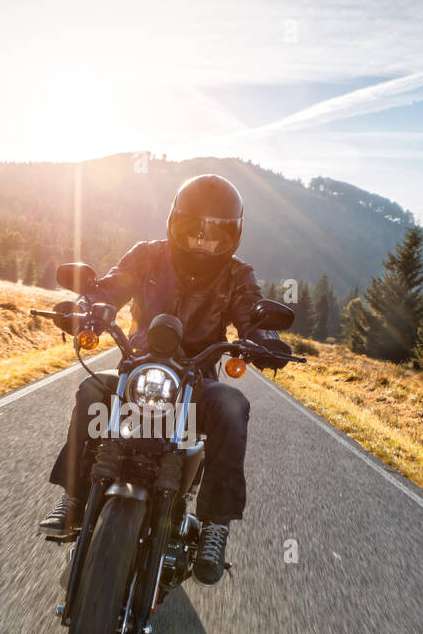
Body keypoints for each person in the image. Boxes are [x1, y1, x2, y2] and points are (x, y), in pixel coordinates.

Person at [39, 174, 291, 584]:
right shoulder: (148, 256)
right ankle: (73, 497)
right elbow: (111, 287)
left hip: (196, 380)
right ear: (177, 224)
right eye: (194, 231)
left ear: (232, 236)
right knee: (91, 389)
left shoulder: (237, 276)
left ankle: (214, 526)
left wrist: (264, 339)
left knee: (232, 406)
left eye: (214, 236)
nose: (202, 243)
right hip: (138, 368)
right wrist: (91, 307)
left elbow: (251, 312)